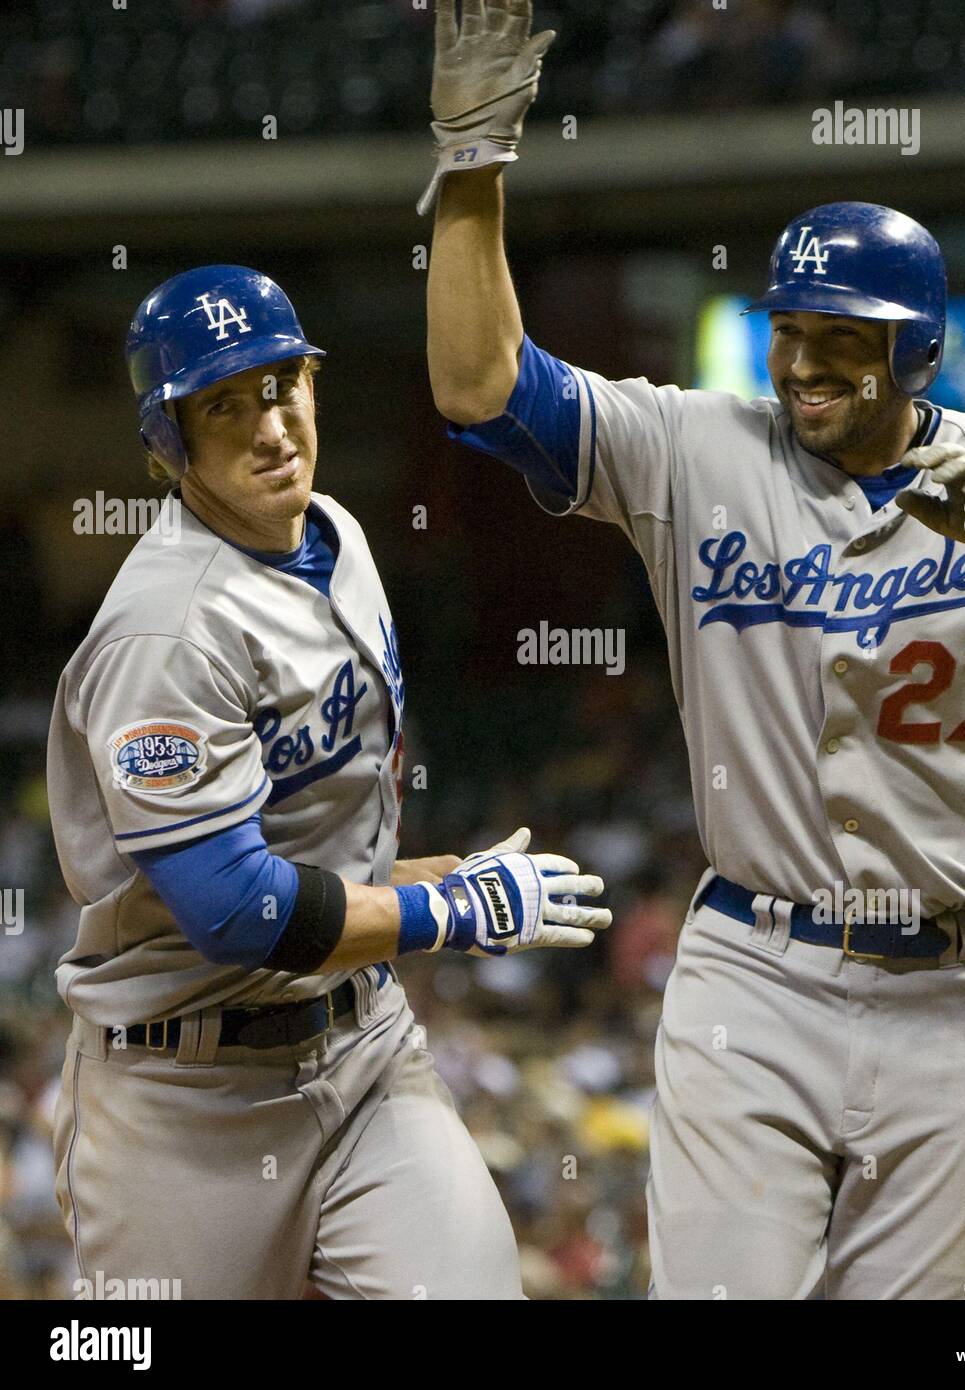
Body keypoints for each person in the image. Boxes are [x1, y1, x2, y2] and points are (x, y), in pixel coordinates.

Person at [421, 1, 965, 1298]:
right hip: (756, 971)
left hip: (956, 994)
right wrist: (471, 156)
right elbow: (480, 387)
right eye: (790, 328)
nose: (803, 361)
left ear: (916, 354)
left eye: (843, 341)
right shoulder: (695, 446)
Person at [46, 264, 610, 1300]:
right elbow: (237, 911)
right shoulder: (163, 631)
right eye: (224, 404)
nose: (270, 426)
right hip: (186, 1097)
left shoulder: (338, 535)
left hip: (362, 1050)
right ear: (168, 443)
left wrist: (433, 876)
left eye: (280, 385)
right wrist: (450, 909)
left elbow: (313, 841)